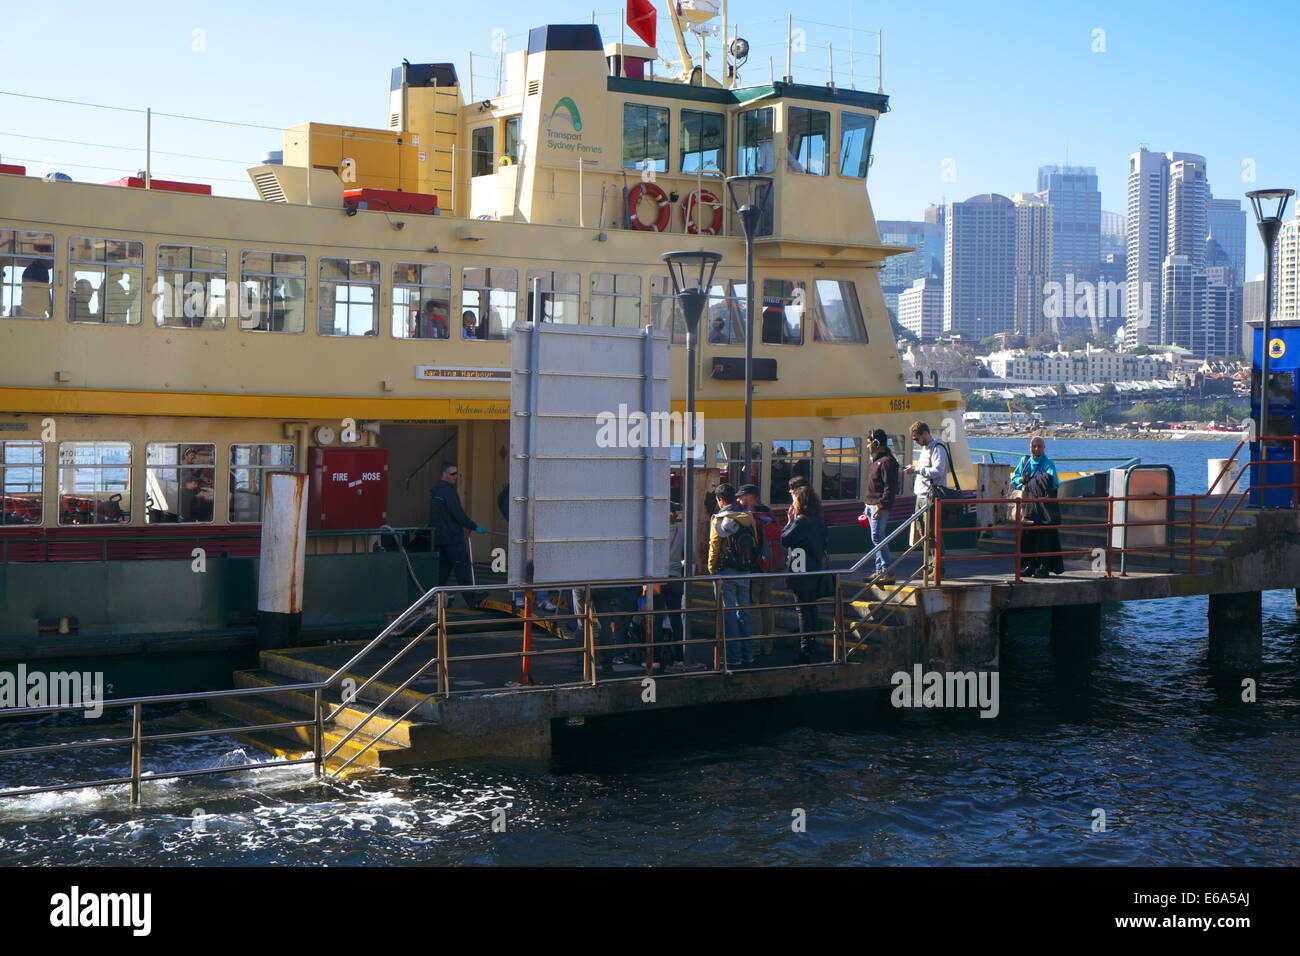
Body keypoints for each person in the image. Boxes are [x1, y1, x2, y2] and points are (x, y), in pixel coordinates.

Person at [707, 482, 760, 667]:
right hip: (745, 569)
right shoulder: (747, 516)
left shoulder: (719, 518)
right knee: (744, 610)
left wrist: (711, 568)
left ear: (721, 500)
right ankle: (748, 653)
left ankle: (733, 656)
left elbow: (714, 546)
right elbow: (755, 541)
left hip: (726, 569)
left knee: (728, 612)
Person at [428, 462, 487, 606]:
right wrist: (474, 526)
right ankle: (471, 599)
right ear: (445, 474)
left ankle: (435, 599)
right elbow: (457, 514)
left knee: (443, 572)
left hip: (440, 539)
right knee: (463, 569)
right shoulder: (448, 492)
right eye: (453, 474)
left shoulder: (436, 491)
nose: (456, 477)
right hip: (452, 538)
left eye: (457, 474)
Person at [781, 486, 828, 664]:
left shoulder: (801, 521)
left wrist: (789, 520)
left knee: (802, 609)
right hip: (815, 568)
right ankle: (811, 644)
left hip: (799, 569)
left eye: (795, 499)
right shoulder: (819, 520)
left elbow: (785, 539)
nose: (793, 503)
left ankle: (805, 648)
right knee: (811, 607)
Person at [1012, 436, 1064, 578]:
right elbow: (1014, 478)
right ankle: (1029, 566)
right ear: (1030, 447)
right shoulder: (1025, 461)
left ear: (1043, 448)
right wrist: (1021, 480)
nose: (1036, 449)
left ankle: (1043, 567)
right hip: (1029, 506)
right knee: (1028, 537)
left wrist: (1035, 481)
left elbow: (1053, 482)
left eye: (1039, 446)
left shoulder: (1048, 464)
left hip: (1043, 508)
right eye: (1034, 446)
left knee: (1044, 538)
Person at [738, 483, 778, 657]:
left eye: (742, 497)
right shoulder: (768, 514)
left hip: (755, 567)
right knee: (766, 606)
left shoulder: (750, 517)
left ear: (751, 498)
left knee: (754, 605)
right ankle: (767, 645)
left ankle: (754, 645)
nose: (739, 500)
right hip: (769, 566)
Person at [902, 420, 952, 558]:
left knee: (931, 532)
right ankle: (929, 565)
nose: (916, 441)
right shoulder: (926, 448)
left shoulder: (938, 448)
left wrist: (916, 469)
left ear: (925, 433)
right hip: (922, 495)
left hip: (930, 496)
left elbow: (938, 471)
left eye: (916, 438)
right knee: (923, 532)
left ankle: (937, 567)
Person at [862, 428, 900, 584]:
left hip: (878, 505)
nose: (868, 446)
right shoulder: (878, 460)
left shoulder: (887, 462)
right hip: (871, 504)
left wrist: (881, 505)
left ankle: (887, 571)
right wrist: (867, 504)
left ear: (876, 443)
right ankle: (879, 571)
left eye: (869, 443)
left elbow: (889, 487)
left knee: (877, 536)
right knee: (876, 537)